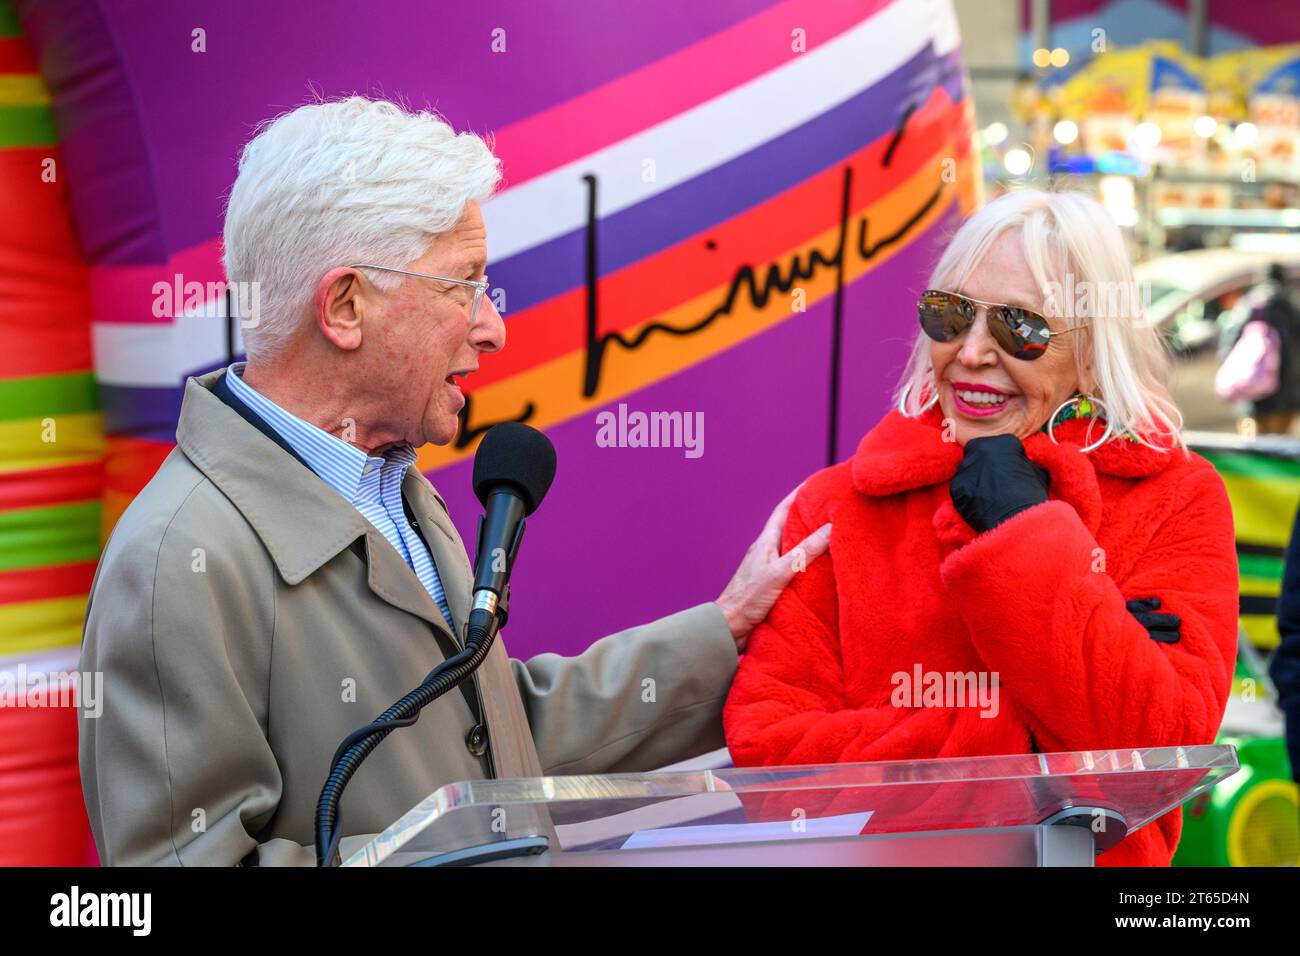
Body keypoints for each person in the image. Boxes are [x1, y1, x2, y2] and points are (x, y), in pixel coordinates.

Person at [78, 97, 831, 866]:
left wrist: (727, 630)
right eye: (463, 285)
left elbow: (491, 742)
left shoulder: (389, 483)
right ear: (344, 306)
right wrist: (463, 849)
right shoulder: (177, 560)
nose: (492, 326)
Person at [723, 189, 1239, 867]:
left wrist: (1024, 532)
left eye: (1019, 328)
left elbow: (1154, 754)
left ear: (1091, 350)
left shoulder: (1175, 498)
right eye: (951, 314)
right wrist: (1027, 748)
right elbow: (773, 768)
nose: (970, 353)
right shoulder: (835, 506)